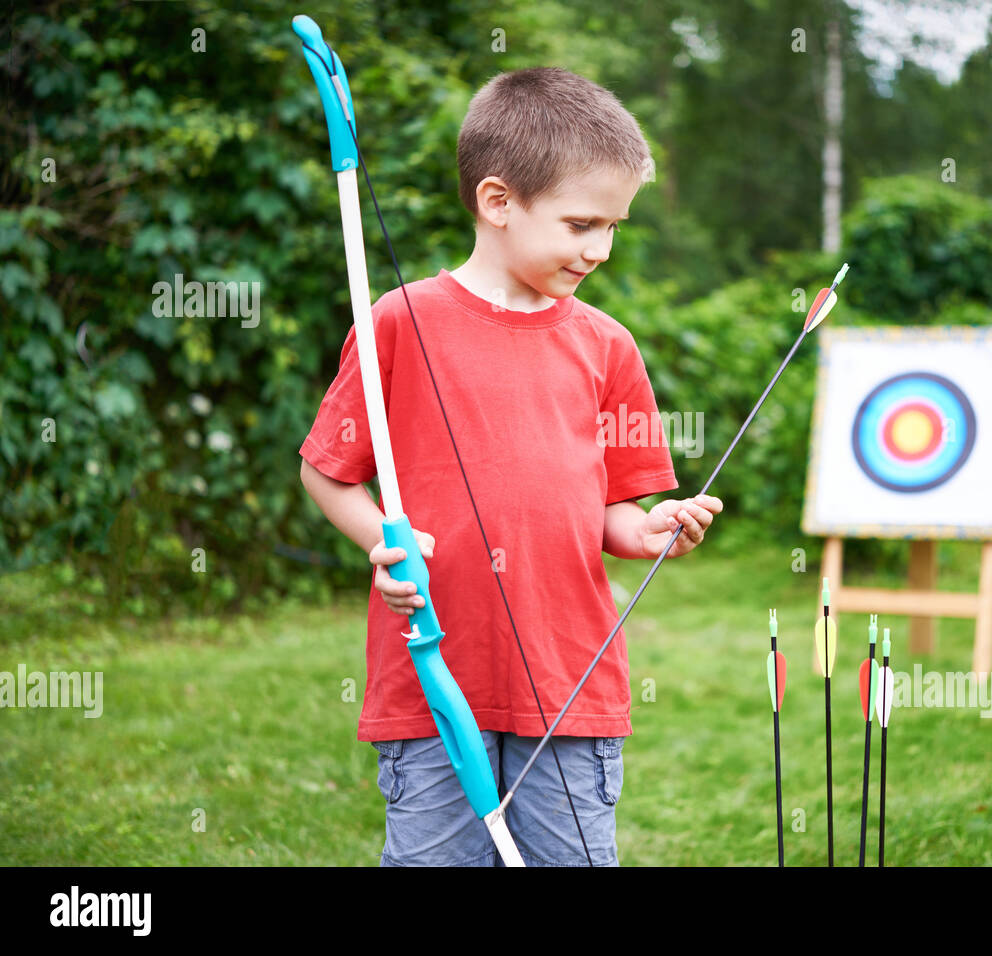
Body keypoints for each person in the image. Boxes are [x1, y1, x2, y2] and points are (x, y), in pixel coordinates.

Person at [299, 66, 722, 866]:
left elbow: (616, 515)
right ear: (499, 202)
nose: (599, 249)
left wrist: (654, 527)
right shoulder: (397, 322)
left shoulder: (607, 346)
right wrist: (380, 540)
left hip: (569, 685)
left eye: (614, 228)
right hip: (431, 680)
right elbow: (327, 469)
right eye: (581, 224)